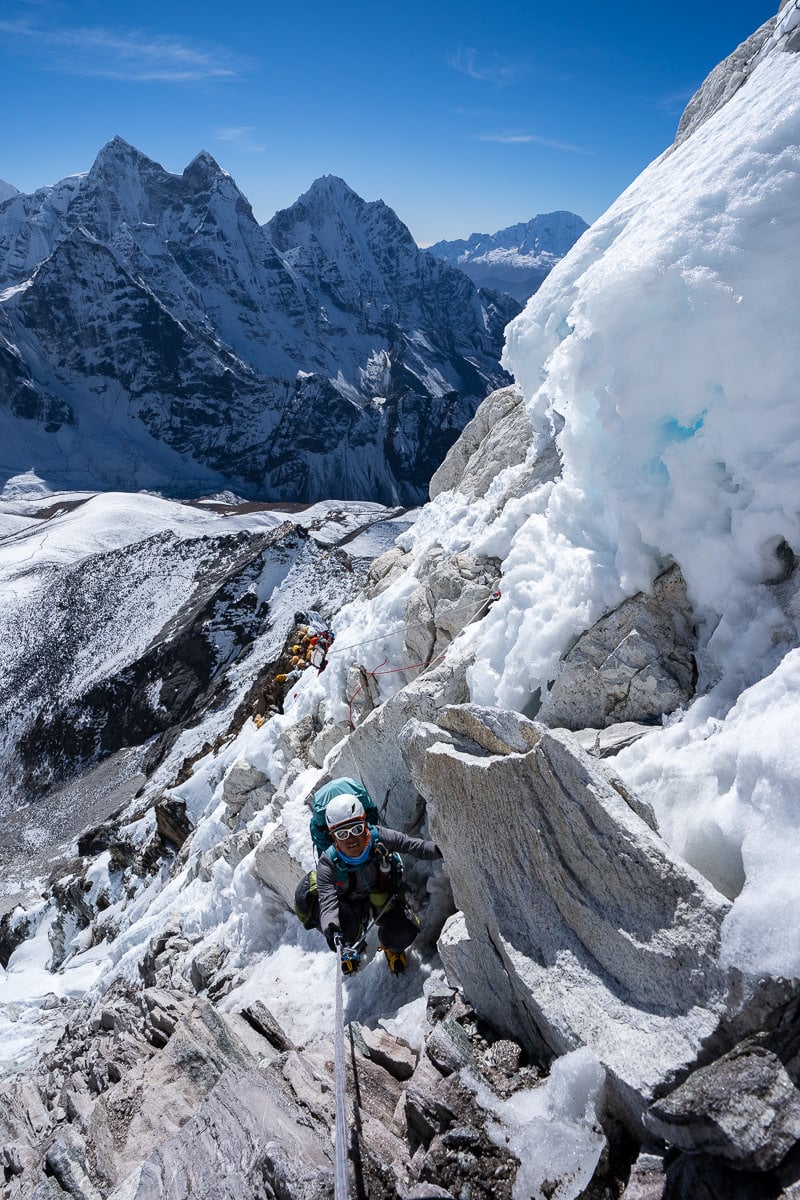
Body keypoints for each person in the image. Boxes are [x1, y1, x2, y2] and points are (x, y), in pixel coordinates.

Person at [294, 790, 442, 975]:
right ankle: (351, 946)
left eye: (356, 829)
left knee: (404, 931)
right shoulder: (328, 863)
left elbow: (414, 846)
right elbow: (328, 902)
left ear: (365, 825)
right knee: (342, 932)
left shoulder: (379, 837)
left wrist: (442, 848)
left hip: (381, 893)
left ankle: (391, 947)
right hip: (348, 903)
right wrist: (332, 928)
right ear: (333, 837)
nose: (351, 838)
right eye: (342, 833)